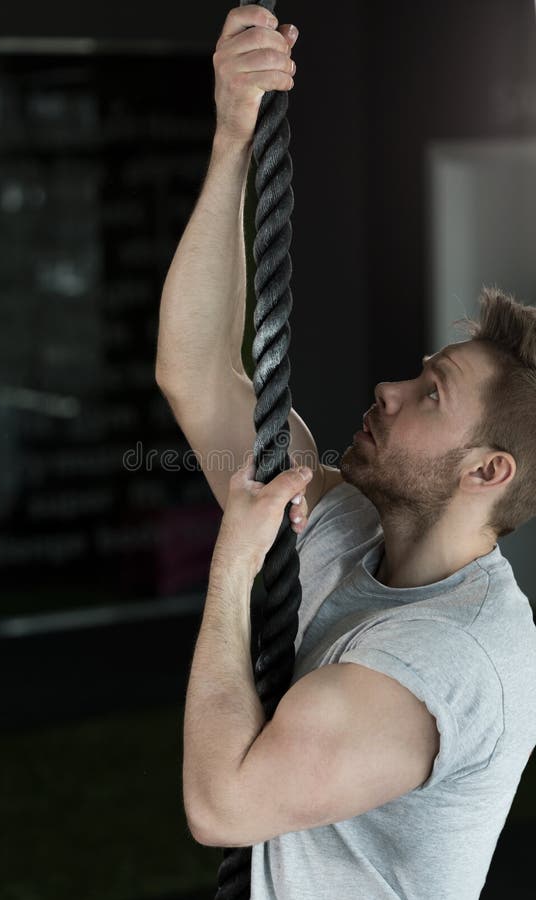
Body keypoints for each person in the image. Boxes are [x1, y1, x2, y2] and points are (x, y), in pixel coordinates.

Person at [156, 4, 536, 897]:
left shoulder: (446, 659)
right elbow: (197, 371)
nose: (387, 392)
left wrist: (229, 571)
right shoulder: (346, 525)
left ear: (487, 472)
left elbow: (223, 804)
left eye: (428, 396)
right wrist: (231, 139)